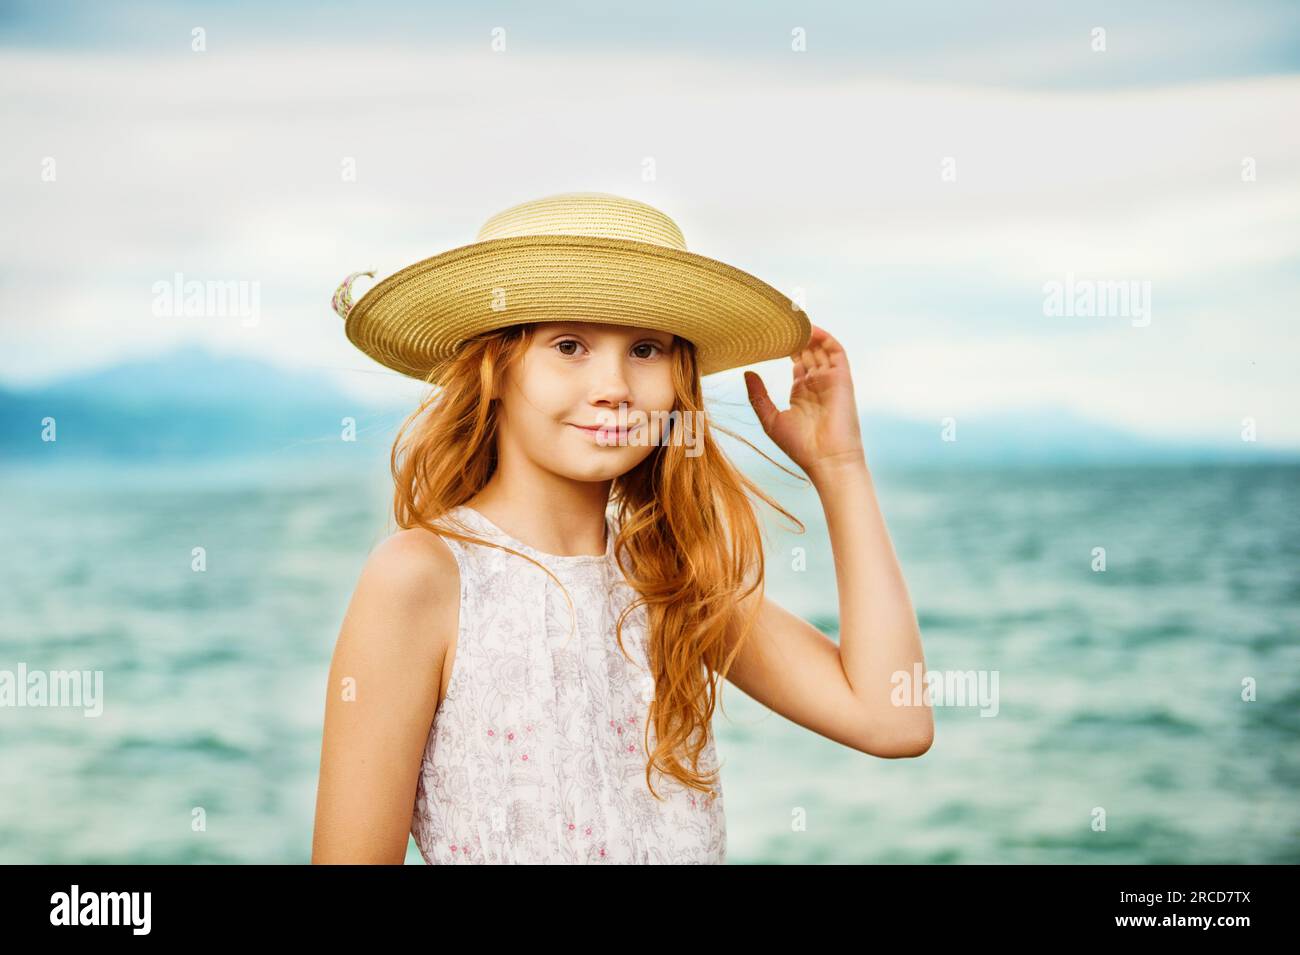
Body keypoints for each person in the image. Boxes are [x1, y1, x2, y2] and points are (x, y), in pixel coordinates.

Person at [311, 193, 932, 864]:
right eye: (570, 345)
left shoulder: (669, 580)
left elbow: (892, 718)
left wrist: (839, 466)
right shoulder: (422, 576)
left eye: (645, 348)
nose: (615, 385)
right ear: (494, 370)